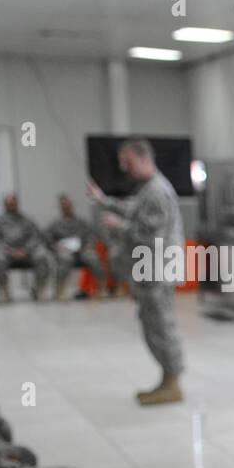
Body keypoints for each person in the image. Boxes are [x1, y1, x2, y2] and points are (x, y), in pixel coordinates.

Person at [89, 138, 186, 405]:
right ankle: (167, 379)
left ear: (144, 159)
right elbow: (135, 212)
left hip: (157, 269)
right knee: (152, 325)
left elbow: (148, 234)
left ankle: (172, 382)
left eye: (128, 163)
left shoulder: (157, 191)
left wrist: (118, 226)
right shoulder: (148, 189)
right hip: (149, 269)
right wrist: (105, 201)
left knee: (162, 326)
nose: (125, 168)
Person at [0, 194, 53, 303]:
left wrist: (25, 249)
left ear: (17, 204)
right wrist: (9, 250)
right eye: (9, 204)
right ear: (5, 205)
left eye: (13, 204)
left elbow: (35, 237)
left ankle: (39, 290)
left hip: (27, 253)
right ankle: (4, 292)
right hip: (6, 254)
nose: (11, 206)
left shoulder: (27, 220)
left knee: (41, 255)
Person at [45, 194, 106, 301]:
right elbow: (48, 240)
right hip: (65, 252)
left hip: (82, 250)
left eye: (68, 205)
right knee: (65, 259)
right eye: (63, 205)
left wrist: (88, 247)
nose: (66, 207)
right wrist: (57, 247)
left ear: (72, 205)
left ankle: (101, 288)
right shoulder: (55, 224)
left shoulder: (82, 223)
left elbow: (91, 236)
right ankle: (60, 290)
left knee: (93, 257)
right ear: (60, 207)